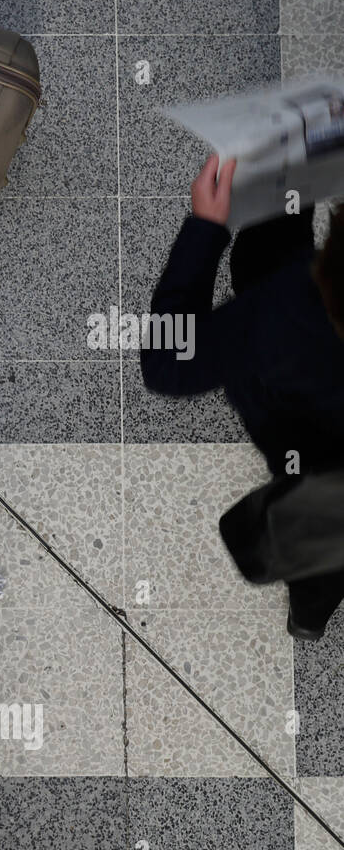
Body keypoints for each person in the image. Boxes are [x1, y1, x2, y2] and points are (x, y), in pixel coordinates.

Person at [141, 155, 344, 637]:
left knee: (322, 542)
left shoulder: (283, 315)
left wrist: (206, 229)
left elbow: (169, 363)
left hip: (314, 470)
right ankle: (309, 619)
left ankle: (309, 614)